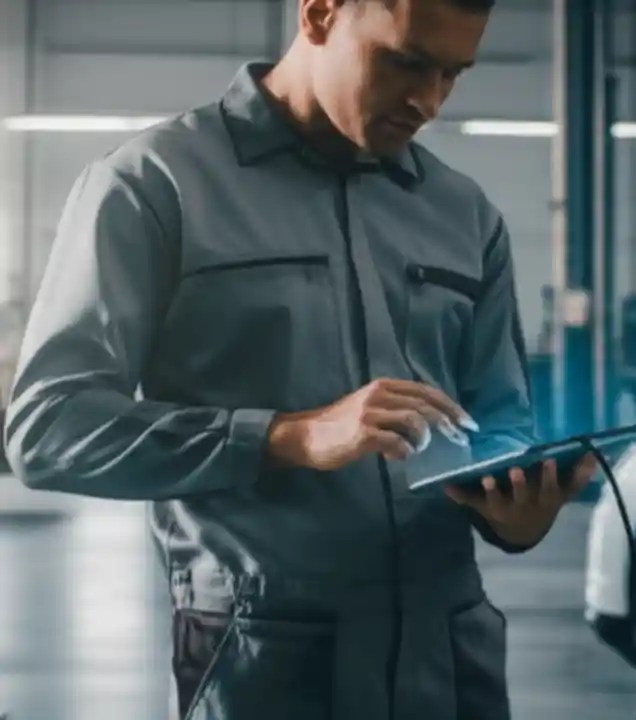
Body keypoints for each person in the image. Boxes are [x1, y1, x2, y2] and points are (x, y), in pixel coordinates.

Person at [3, 1, 595, 718]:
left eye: (453, 73)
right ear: (318, 13)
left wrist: (519, 516)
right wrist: (289, 435)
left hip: (451, 655)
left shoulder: (465, 215)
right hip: (263, 661)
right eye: (406, 62)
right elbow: (47, 429)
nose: (429, 101)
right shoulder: (153, 185)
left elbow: (501, 426)